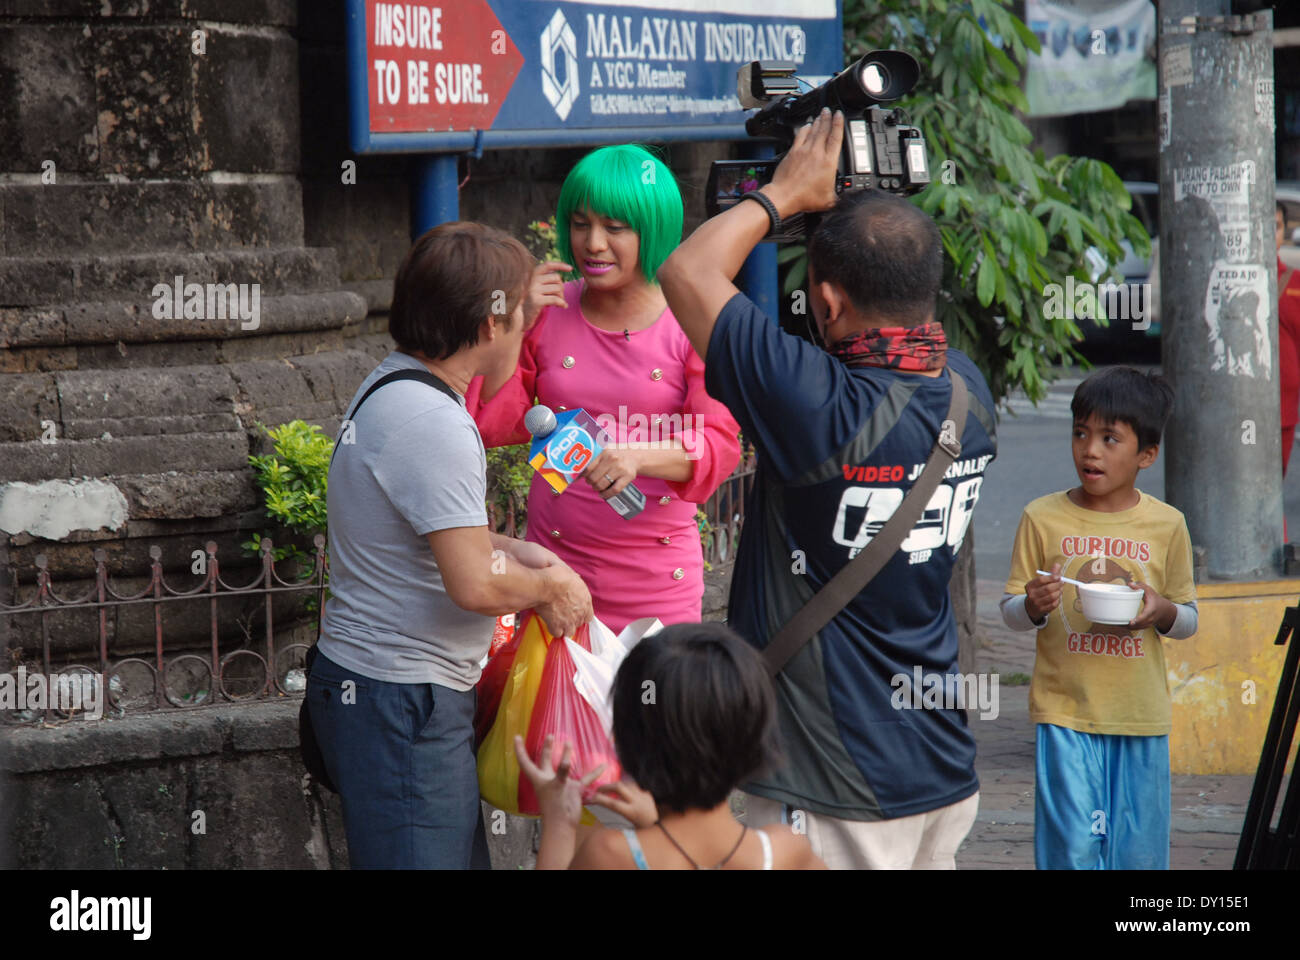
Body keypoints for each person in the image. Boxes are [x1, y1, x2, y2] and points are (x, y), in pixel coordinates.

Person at [658, 109, 999, 869]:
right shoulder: (969, 397)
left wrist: (782, 195)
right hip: (941, 770)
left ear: (830, 303)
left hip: (836, 789)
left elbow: (684, 273)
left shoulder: (815, 404)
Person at [308, 222, 593, 869]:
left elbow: (430, 532)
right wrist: (554, 588)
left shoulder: (396, 384)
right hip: (402, 703)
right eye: (521, 308)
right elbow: (473, 584)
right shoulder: (434, 422)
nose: (527, 323)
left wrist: (516, 552)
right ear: (491, 325)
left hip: (392, 696)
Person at [466, 145, 741, 633]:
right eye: (579, 223)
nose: (593, 243)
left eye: (615, 228)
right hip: (554, 572)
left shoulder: (692, 320)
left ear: (653, 228)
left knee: (650, 708)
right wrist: (515, 320)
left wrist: (636, 456)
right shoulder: (547, 309)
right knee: (555, 710)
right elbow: (490, 420)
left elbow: (720, 446)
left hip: (658, 580)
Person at [1000, 366, 1198, 870]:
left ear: (1147, 455)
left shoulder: (1167, 524)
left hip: (1140, 716)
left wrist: (1161, 610)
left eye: (1110, 438)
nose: (1090, 450)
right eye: (1081, 433)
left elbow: (1190, 618)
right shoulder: (1041, 518)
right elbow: (1011, 614)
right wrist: (1033, 605)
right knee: (1072, 847)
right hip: (1064, 713)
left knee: (1138, 853)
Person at [513, 622, 825, 869]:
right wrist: (653, 822)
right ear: (758, 737)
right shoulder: (785, 852)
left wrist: (560, 822)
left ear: (624, 742)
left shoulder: (611, 856)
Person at [1276, 202, 1300, 478]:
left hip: (1283, 408)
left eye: (1276, 226)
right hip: (1233, 408)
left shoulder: (1295, 283)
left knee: (1272, 486)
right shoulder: (1224, 281)